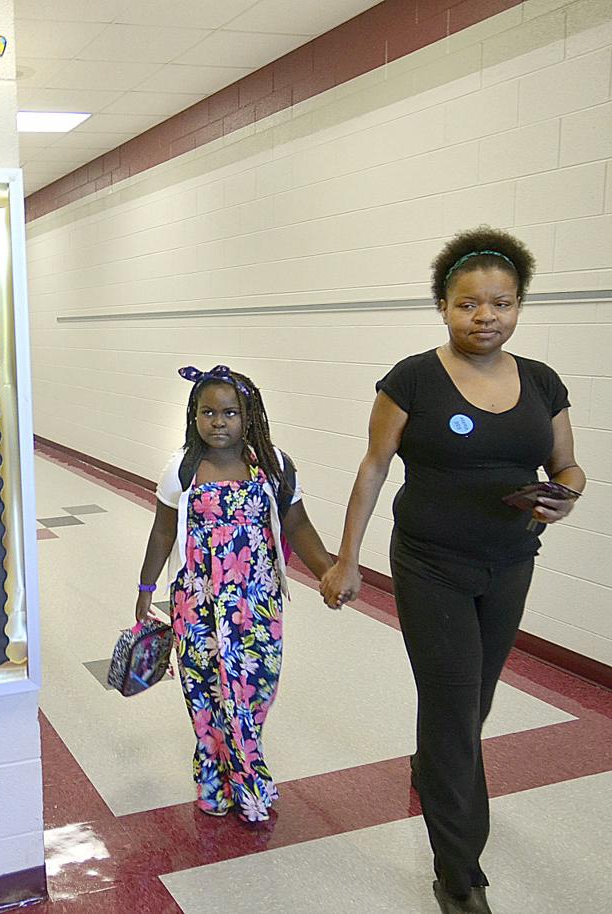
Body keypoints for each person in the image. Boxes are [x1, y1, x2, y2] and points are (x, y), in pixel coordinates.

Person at [319, 227, 585, 914]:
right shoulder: (412, 378)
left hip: (512, 561)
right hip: (430, 563)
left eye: (502, 303)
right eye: (469, 304)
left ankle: (432, 772)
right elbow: (374, 467)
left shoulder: (544, 382)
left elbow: (565, 463)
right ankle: (460, 872)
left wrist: (567, 492)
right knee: (450, 709)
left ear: (519, 305)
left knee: (474, 702)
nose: (486, 317)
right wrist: (348, 558)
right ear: (444, 305)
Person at [135, 365, 335, 821]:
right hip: (197, 602)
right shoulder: (182, 467)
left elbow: (298, 524)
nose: (218, 422)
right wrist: (146, 587)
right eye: (208, 412)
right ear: (194, 415)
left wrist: (328, 569)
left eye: (230, 412)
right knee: (204, 690)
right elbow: (163, 531)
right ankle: (217, 782)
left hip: (256, 601)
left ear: (250, 417)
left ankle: (245, 772)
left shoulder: (273, 464)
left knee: (253, 688)